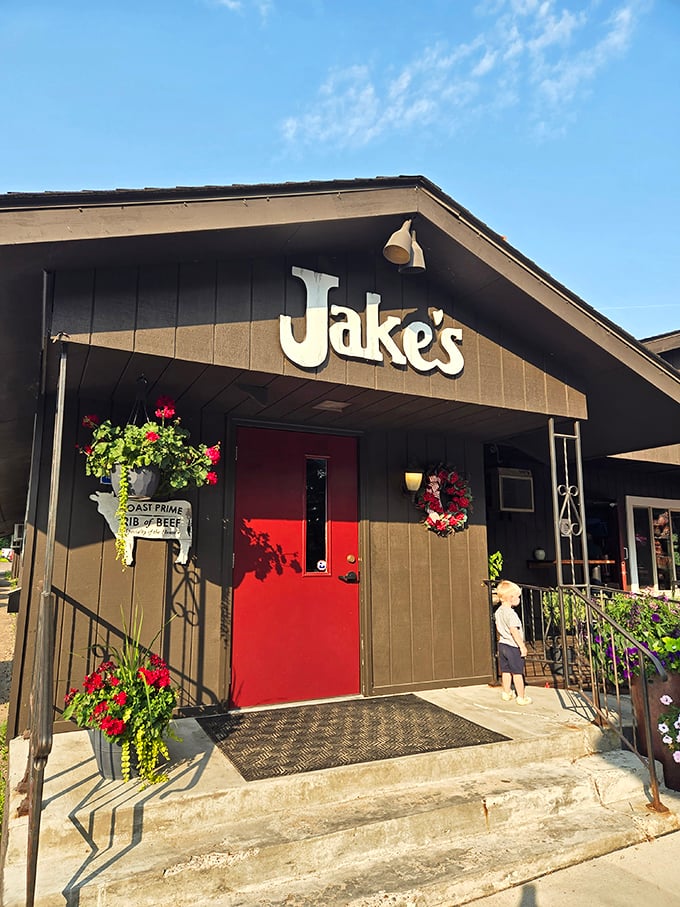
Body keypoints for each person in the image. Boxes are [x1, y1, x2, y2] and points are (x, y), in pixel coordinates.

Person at [494, 579, 532, 706]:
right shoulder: (511, 614)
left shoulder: (498, 612)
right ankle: (521, 697)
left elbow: (498, 628)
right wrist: (522, 646)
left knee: (505, 670)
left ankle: (506, 692)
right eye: (518, 596)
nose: (519, 598)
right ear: (511, 598)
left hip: (502, 644)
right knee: (517, 672)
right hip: (512, 646)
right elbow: (514, 631)